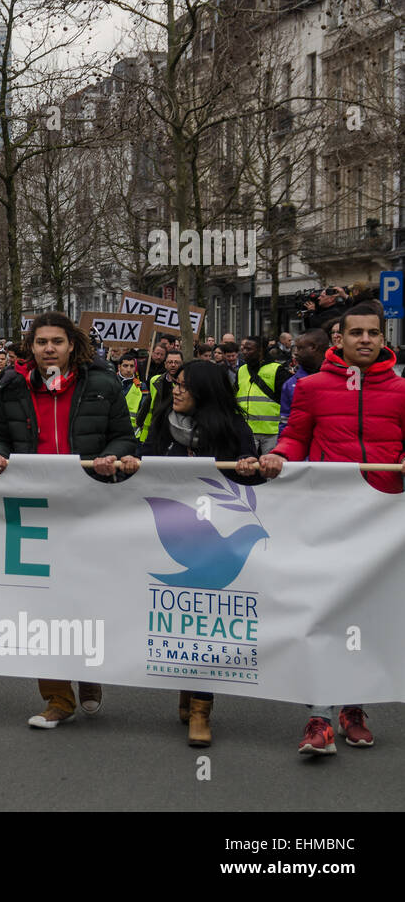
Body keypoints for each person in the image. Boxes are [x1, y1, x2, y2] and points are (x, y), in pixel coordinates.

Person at [260, 300, 405, 755]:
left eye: (373, 333)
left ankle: (353, 708)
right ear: (338, 339)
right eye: (356, 332)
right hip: (324, 515)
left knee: (365, 618)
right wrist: (279, 456)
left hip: (383, 522)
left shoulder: (402, 390)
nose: (365, 340)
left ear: (385, 339)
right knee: (320, 615)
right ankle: (319, 717)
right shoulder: (312, 387)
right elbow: (296, 437)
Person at [0, 312, 137, 728]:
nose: (48, 348)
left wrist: (114, 454)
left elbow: (126, 437)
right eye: (40, 342)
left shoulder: (103, 384)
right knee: (41, 603)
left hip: (89, 506)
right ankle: (56, 698)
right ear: (30, 348)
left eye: (56, 341)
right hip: (33, 509)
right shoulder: (11, 387)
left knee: (85, 597)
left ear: (72, 345)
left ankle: (90, 673)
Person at [128, 360, 262, 747]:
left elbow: (246, 483)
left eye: (185, 385)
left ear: (206, 391)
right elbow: (146, 465)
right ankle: (187, 687)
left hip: (214, 538)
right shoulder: (161, 422)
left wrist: (250, 468)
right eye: (175, 383)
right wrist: (134, 462)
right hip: (168, 535)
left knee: (204, 619)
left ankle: (202, 707)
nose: (177, 391)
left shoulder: (233, 430)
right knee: (174, 619)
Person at [235, 334, 290, 454]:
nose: (244, 352)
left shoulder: (277, 370)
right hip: (247, 431)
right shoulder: (241, 371)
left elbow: (287, 401)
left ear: (261, 351)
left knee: (271, 469)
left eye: (249, 349)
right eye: (243, 348)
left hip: (272, 432)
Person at [279, 329, 328, 431]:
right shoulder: (290, 384)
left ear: (313, 347)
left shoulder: (340, 378)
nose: (296, 352)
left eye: (300, 348)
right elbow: (285, 424)